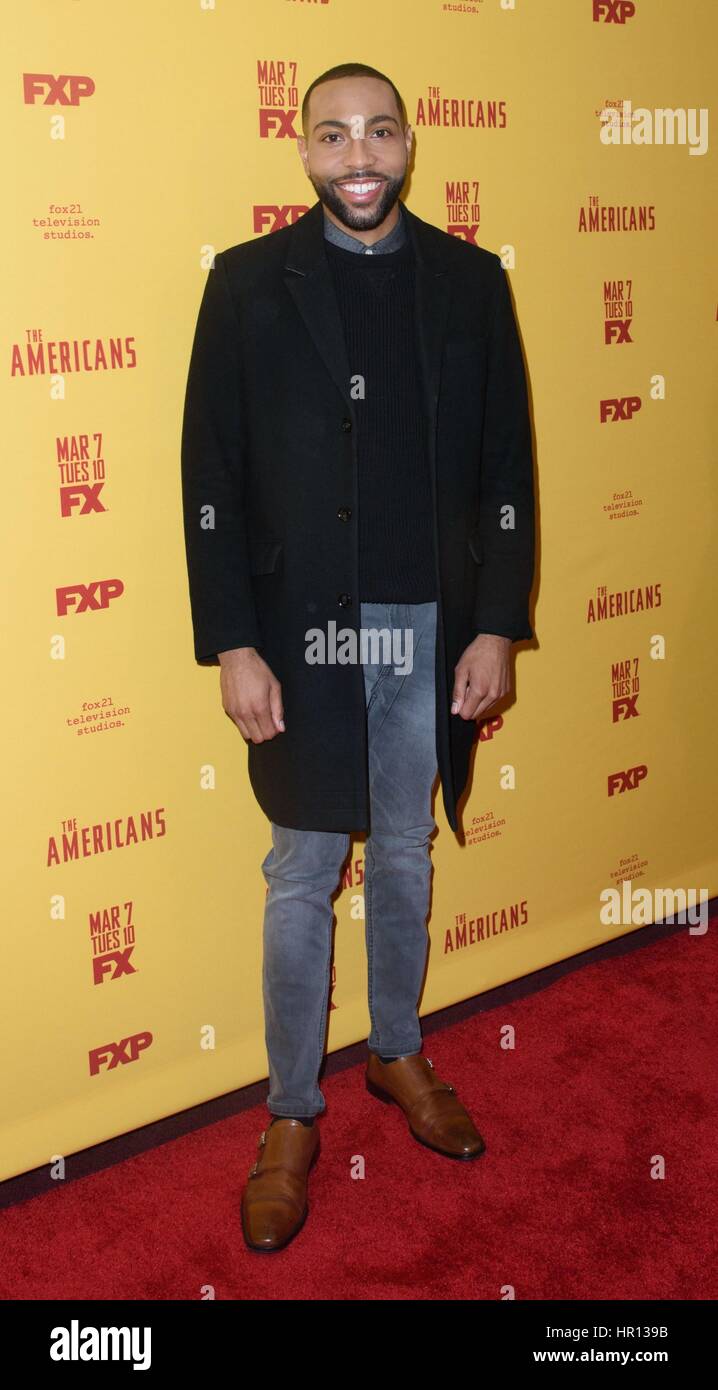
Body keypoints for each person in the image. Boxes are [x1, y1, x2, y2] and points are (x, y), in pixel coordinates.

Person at [181, 62, 536, 1253]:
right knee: (298, 871)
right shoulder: (243, 287)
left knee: (403, 851)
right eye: (332, 136)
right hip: (297, 633)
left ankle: (394, 1052)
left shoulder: (471, 283)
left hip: (426, 623)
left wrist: (493, 622)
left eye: (378, 131)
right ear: (302, 149)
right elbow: (210, 481)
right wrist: (233, 638)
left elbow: (504, 473)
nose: (359, 157)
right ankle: (290, 1110)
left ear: (409, 141)